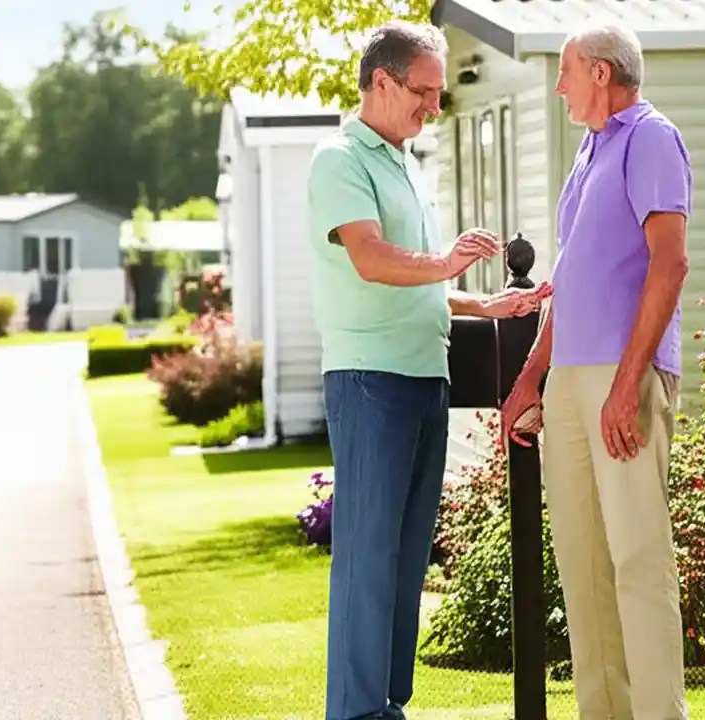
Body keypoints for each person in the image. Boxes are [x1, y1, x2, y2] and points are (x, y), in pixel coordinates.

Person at [306, 20, 552, 720]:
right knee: (368, 557)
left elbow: (417, 281)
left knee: (409, 557)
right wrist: (446, 260)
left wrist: (483, 302)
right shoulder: (339, 160)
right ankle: (356, 712)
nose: (431, 108)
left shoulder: (406, 164)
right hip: (368, 380)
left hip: (422, 378)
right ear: (380, 82)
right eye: (422, 92)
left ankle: (388, 703)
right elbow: (371, 258)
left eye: (438, 95)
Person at [501, 21, 691, 720]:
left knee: (637, 557)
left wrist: (623, 386)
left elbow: (669, 263)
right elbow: (572, 279)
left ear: (602, 74)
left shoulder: (650, 138)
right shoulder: (587, 153)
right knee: (582, 565)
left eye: (567, 71)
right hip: (571, 380)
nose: (558, 86)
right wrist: (531, 377)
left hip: (623, 374)